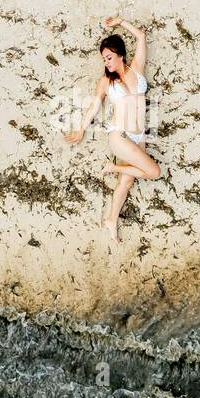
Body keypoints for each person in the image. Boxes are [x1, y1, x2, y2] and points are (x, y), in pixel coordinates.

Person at [64, 17, 162, 242]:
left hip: (139, 136)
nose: (106, 62)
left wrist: (120, 22)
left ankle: (111, 220)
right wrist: (81, 130)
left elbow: (141, 36)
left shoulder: (136, 68)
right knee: (154, 172)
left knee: (127, 181)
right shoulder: (105, 82)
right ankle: (111, 167)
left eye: (109, 57)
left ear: (119, 54)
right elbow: (94, 106)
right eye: (104, 59)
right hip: (120, 135)